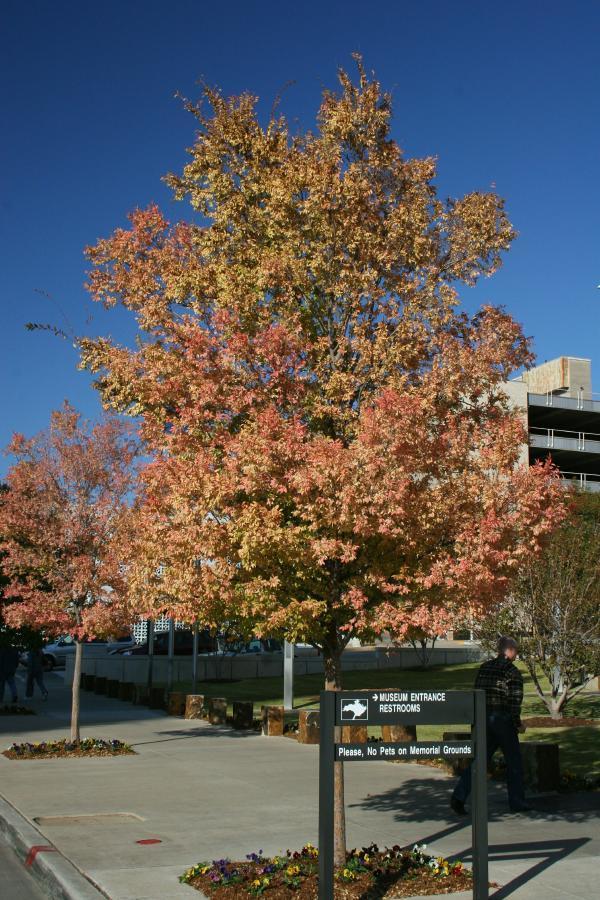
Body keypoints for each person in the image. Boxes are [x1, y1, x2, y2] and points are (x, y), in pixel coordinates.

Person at [450, 635, 531, 815]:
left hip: (483, 718)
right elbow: (514, 701)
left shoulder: (485, 668)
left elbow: (476, 692)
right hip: (502, 719)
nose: (517, 653)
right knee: (514, 761)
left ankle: (459, 796)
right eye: (516, 650)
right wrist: (517, 724)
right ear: (510, 650)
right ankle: (517, 802)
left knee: (479, 760)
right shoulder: (512, 672)